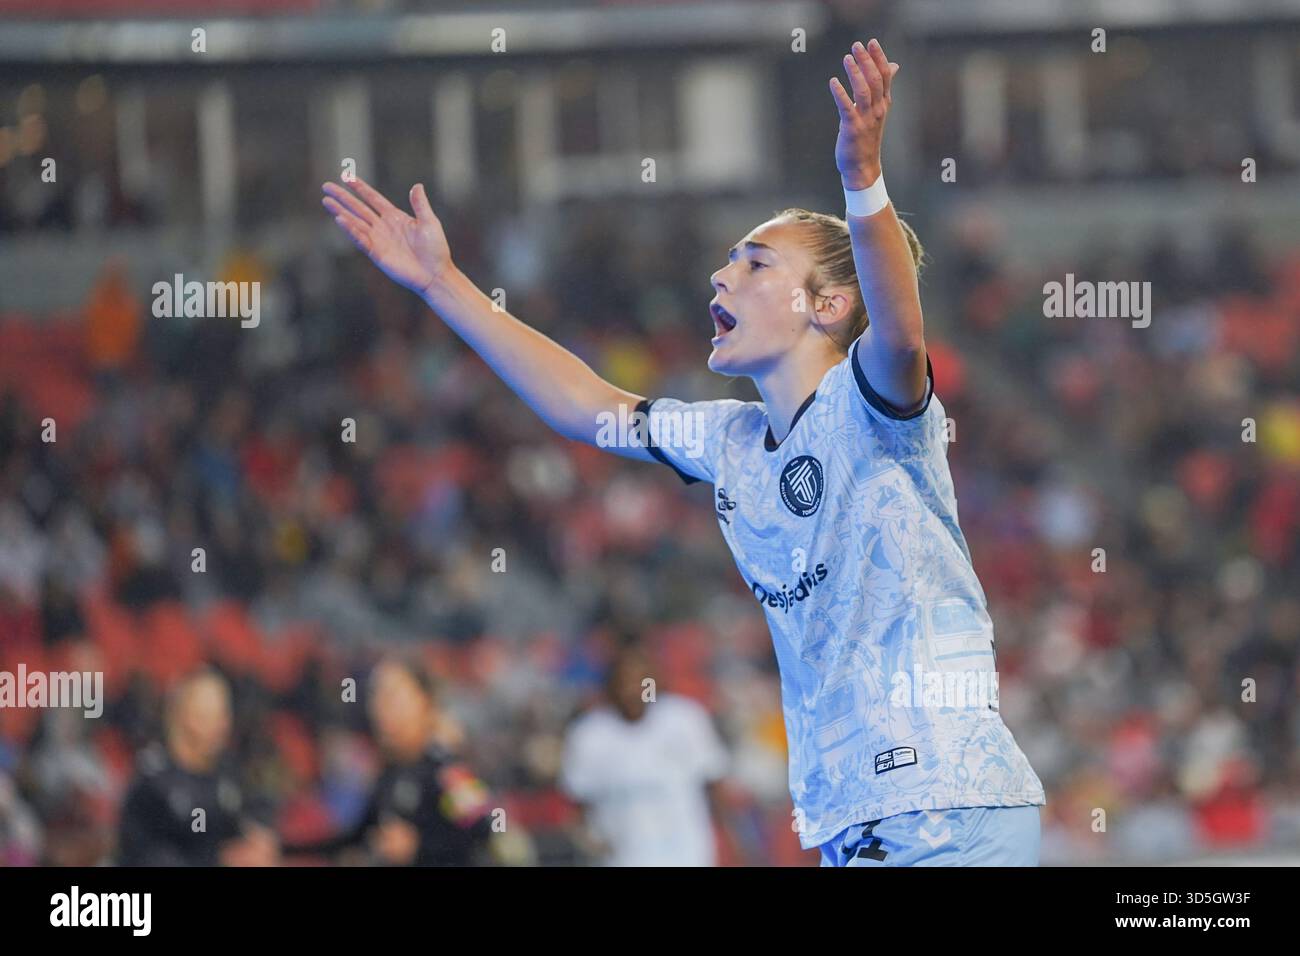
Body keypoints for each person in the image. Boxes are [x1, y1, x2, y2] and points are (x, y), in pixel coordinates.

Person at [321, 37, 1045, 866]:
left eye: (755, 262)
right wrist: (443, 285)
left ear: (829, 303)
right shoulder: (729, 440)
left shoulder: (872, 405)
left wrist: (862, 179)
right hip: (856, 822)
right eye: (729, 259)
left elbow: (903, 329)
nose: (719, 276)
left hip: (950, 804)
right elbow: (586, 405)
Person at [283, 657, 495, 866]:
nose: (380, 709)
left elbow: (484, 830)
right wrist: (283, 849)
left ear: (425, 702)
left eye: (392, 697)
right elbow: (358, 837)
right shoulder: (391, 773)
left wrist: (421, 847)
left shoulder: (446, 770)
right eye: (375, 697)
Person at [560, 643, 728, 866]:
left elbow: (714, 786)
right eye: (624, 681)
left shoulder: (686, 720)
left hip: (687, 856)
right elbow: (577, 804)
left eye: (641, 681)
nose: (632, 689)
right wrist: (593, 842)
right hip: (622, 859)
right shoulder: (589, 735)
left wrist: (735, 843)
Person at [116, 669, 278, 866]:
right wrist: (219, 861)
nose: (222, 725)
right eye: (209, 715)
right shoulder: (153, 779)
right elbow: (146, 855)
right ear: (184, 715)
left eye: (224, 714)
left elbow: (243, 823)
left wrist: (256, 841)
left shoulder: (228, 774)